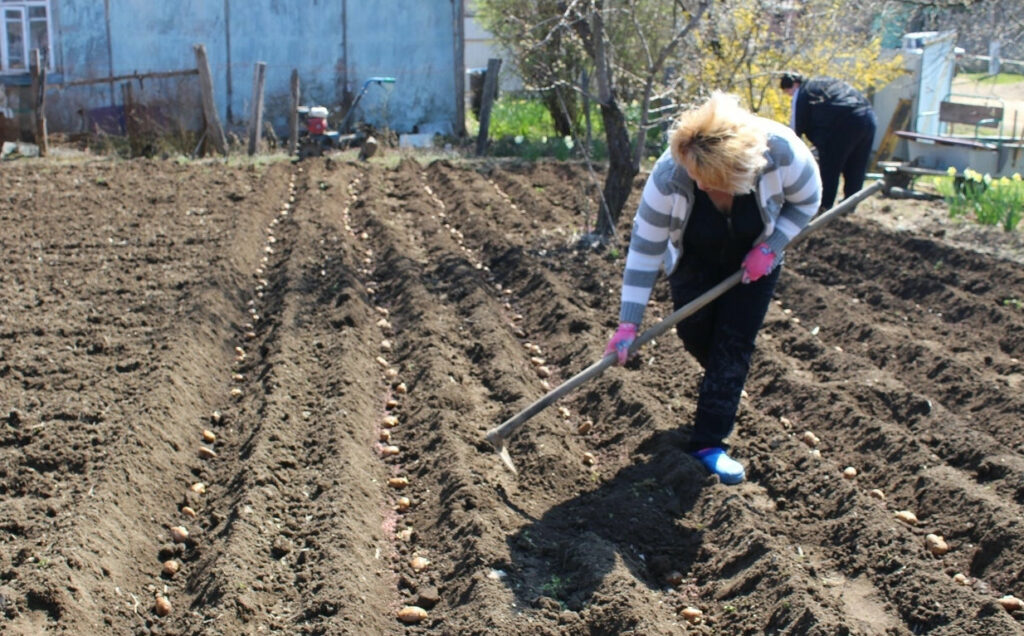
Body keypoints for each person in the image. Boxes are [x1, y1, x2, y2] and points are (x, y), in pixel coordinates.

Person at [604, 92, 821, 485]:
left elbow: (808, 201)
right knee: (696, 332)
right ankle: (724, 383)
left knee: (733, 345)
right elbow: (645, 248)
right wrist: (628, 324)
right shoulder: (671, 177)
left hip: (754, 259)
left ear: (739, 174)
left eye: (710, 180)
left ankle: (709, 440)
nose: (701, 188)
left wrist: (770, 248)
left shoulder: (784, 154)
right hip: (695, 259)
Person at [779, 72, 877, 211]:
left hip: (842, 123)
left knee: (830, 167)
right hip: (867, 115)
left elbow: (794, 130)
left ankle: (824, 206)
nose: (790, 96)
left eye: (788, 93)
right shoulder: (826, 82)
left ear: (793, 85)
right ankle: (850, 206)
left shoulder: (802, 93)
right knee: (857, 166)